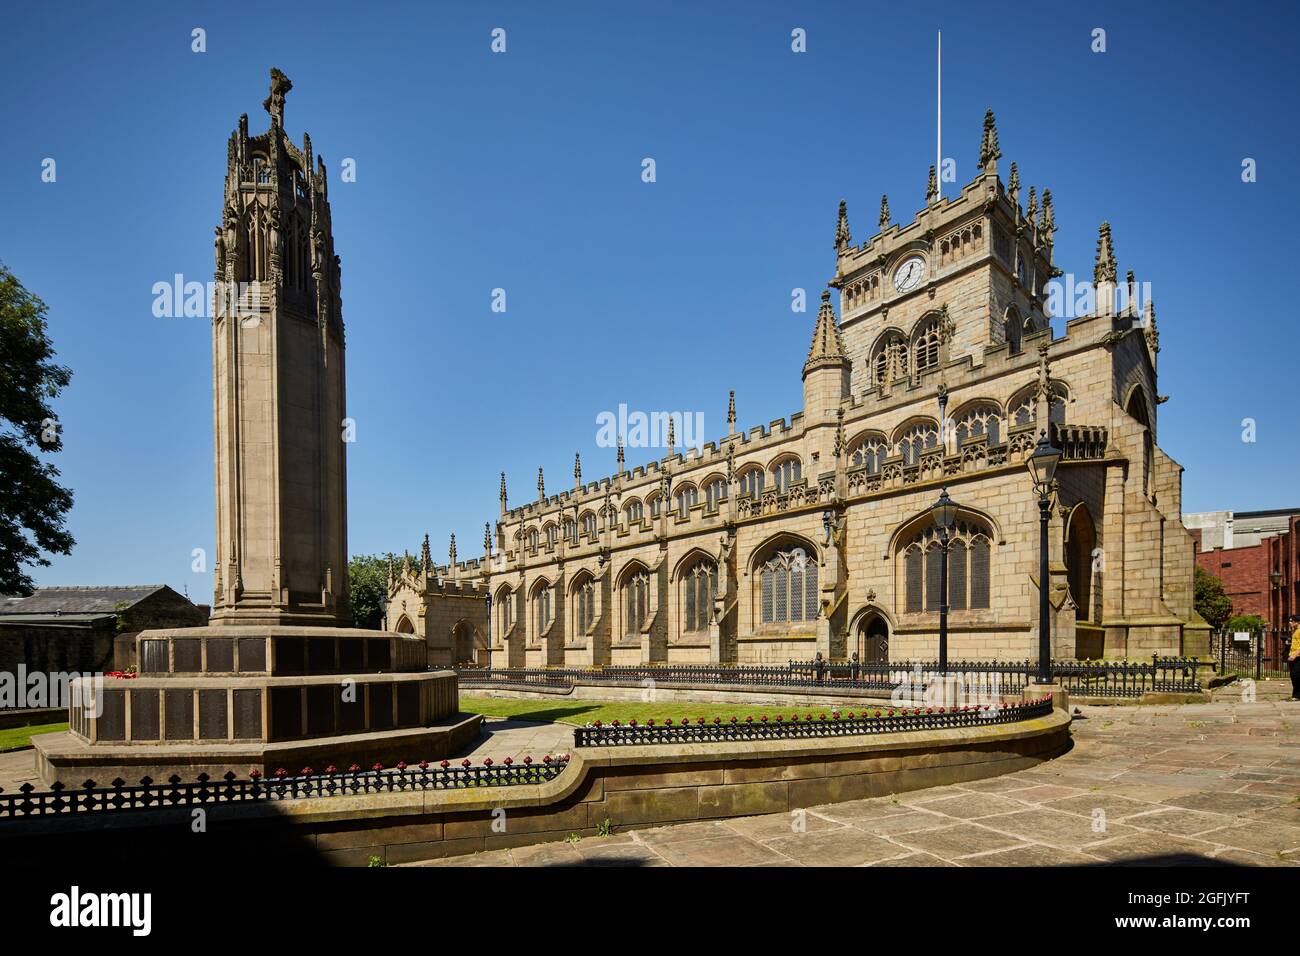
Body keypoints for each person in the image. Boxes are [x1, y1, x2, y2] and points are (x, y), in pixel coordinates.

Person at [1290, 615, 1300, 701]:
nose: (1290, 622)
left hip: (1298, 657)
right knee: (1293, 676)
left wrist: (1295, 654)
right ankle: (1296, 695)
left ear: (1297, 622)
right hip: (1293, 656)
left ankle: (1297, 695)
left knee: (1296, 675)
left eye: (1291, 621)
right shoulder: (1295, 631)